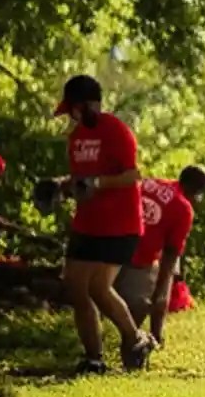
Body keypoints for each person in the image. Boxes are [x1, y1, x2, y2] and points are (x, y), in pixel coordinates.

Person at [46, 75, 154, 374]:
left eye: (73, 109)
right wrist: (58, 187)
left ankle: (134, 339)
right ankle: (96, 359)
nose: (71, 115)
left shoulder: (116, 130)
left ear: (88, 105)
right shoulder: (76, 137)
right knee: (77, 287)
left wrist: (98, 183)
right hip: (88, 222)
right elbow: (80, 181)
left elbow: (133, 175)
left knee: (97, 287)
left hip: (120, 223)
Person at [114, 165, 205, 347]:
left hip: (113, 244)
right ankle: (141, 340)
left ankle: (150, 337)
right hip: (139, 260)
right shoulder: (183, 209)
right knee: (141, 303)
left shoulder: (151, 183)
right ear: (197, 191)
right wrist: (160, 293)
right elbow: (171, 255)